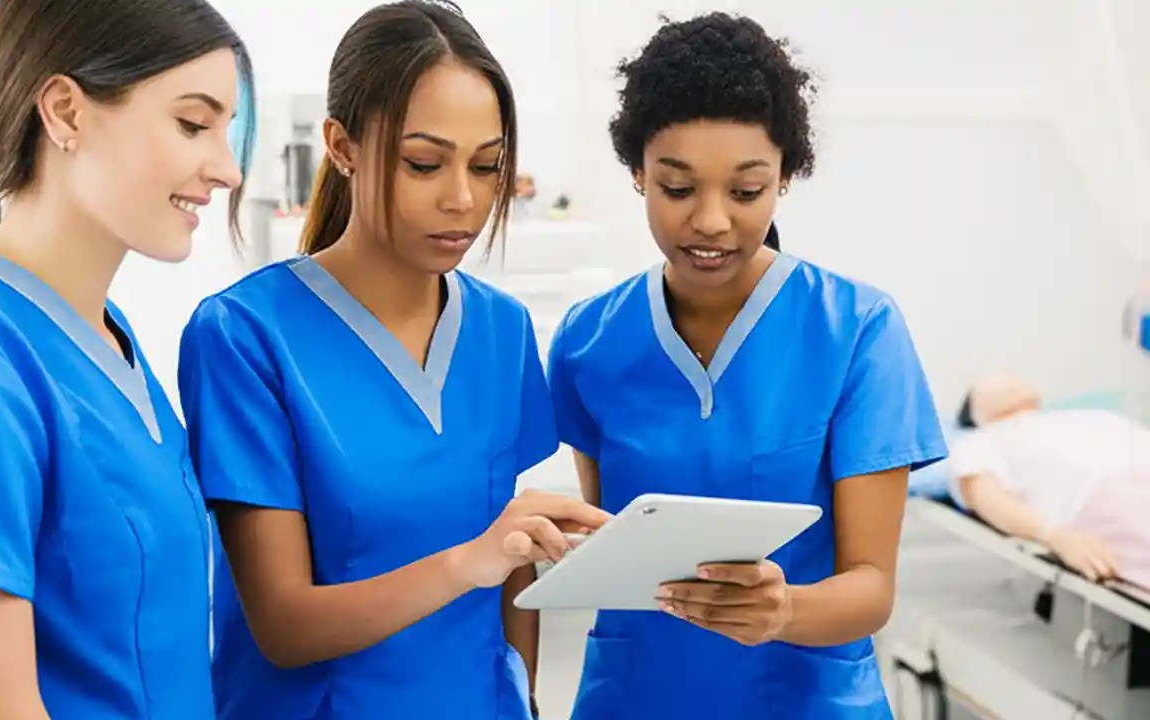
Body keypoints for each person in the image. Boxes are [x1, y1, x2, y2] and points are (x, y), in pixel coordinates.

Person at [176, 3, 608, 719]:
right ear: (342, 147)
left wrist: (521, 695)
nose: (463, 199)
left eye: (488, 165)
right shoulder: (245, 336)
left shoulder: (500, 330)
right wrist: (470, 559)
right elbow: (283, 627)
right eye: (424, 163)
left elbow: (513, 573)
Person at [547, 12, 948, 719]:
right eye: (677, 188)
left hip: (805, 699)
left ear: (784, 178)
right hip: (635, 696)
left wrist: (783, 610)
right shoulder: (588, 341)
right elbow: (608, 539)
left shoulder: (856, 330)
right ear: (638, 173)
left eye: (745, 190)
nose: (710, 220)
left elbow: (870, 589)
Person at [0, 1, 253, 718]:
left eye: (228, 130)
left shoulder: (111, 342)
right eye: (193, 124)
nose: (227, 169)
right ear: (65, 113)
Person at [949, 373, 1150, 587]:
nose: (1012, 381)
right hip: (1106, 498)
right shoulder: (979, 440)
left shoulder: (1088, 415)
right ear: (976, 412)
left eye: (1013, 377)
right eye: (996, 380)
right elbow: (986, 497)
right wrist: (1056, 536)